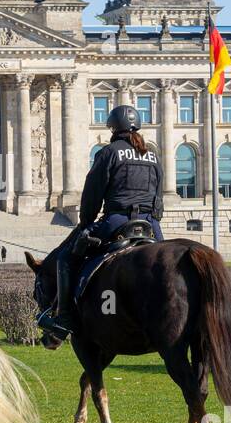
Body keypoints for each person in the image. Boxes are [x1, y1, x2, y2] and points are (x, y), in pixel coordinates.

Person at [38, 104, 163, 341]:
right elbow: (159, 197)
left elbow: (93, 192)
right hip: (150, 224)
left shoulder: (108, 152)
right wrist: (153, 219)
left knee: (66, 257)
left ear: (114, 128)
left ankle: (63, 318)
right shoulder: (153, 155)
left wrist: (86, 222)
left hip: (118, 221)